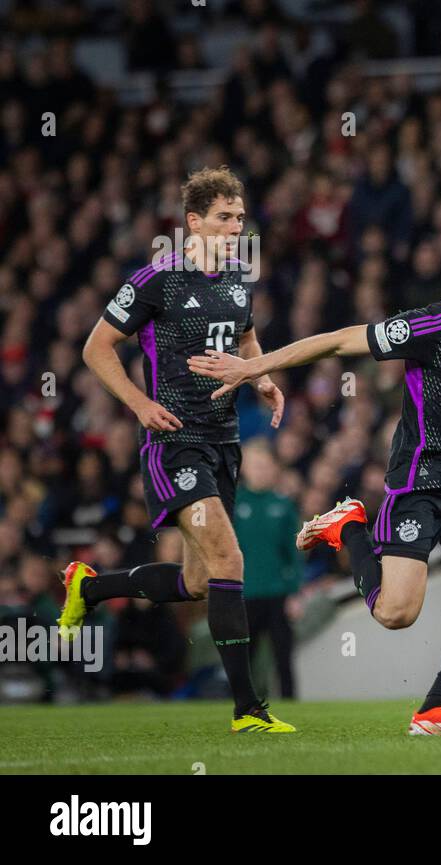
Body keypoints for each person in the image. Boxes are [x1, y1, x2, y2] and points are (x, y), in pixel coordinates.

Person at [190, 232, 441, 735]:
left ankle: (433, 709)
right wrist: (255, 366)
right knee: (396, 614)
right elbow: (337, 340)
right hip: (416, 484)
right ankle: (351, 525)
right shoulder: (432, 325)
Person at [60, 166, 296, 733]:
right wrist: (140, 406)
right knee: (230, 560)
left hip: (225, 443)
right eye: (224, 217)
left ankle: (88, 588)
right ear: (194, 222)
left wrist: (259, 376)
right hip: (174, 444)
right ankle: (248, 710)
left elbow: (245, 341)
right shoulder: (156, 280)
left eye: (240, 216)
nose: (236, 226)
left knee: (196, 582)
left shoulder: (238, 279)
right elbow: (96, 348)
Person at [234, 440, 302, 699]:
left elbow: (293, 552)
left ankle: (290, 702)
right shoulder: (235, 503)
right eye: (256, 465)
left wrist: (295, 592)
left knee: (283, 654)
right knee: (244, 655)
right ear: (245, 469)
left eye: (265, 465)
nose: (261, 471)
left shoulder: (283, 505)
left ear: (274, 469)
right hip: (245, 592)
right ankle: (244, 704)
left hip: (277, 592)